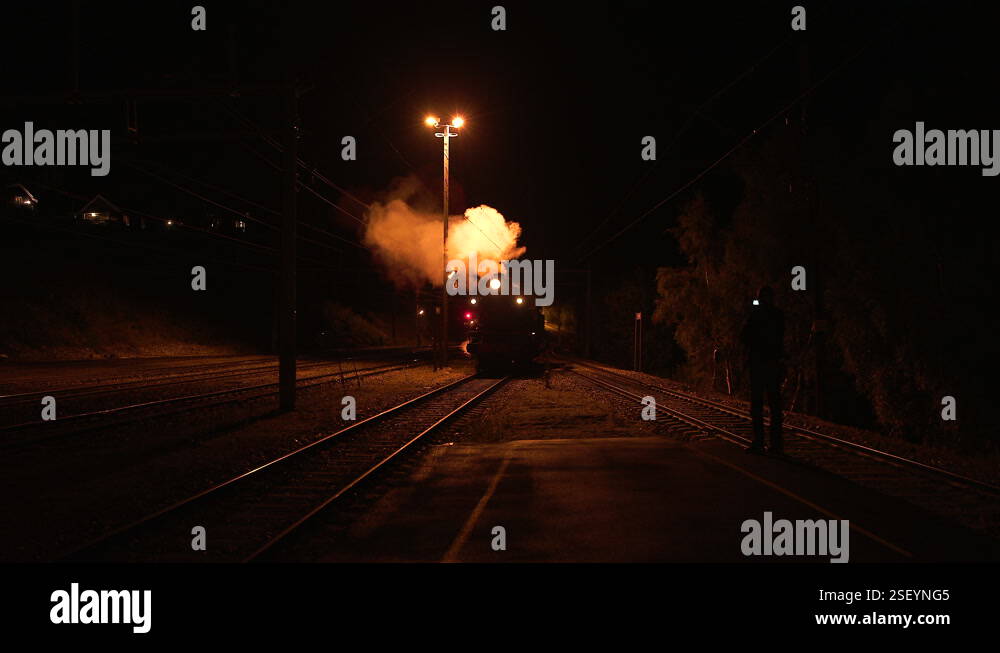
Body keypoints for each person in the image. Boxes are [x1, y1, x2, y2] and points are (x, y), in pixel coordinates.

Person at [740, 285, 785, 455]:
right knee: (775, 406)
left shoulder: (755, 316)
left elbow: (744, 336)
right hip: (773, 363)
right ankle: (776, 445)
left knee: (757, 406)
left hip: (758, 364)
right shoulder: (778, 315)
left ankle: (759, 442)